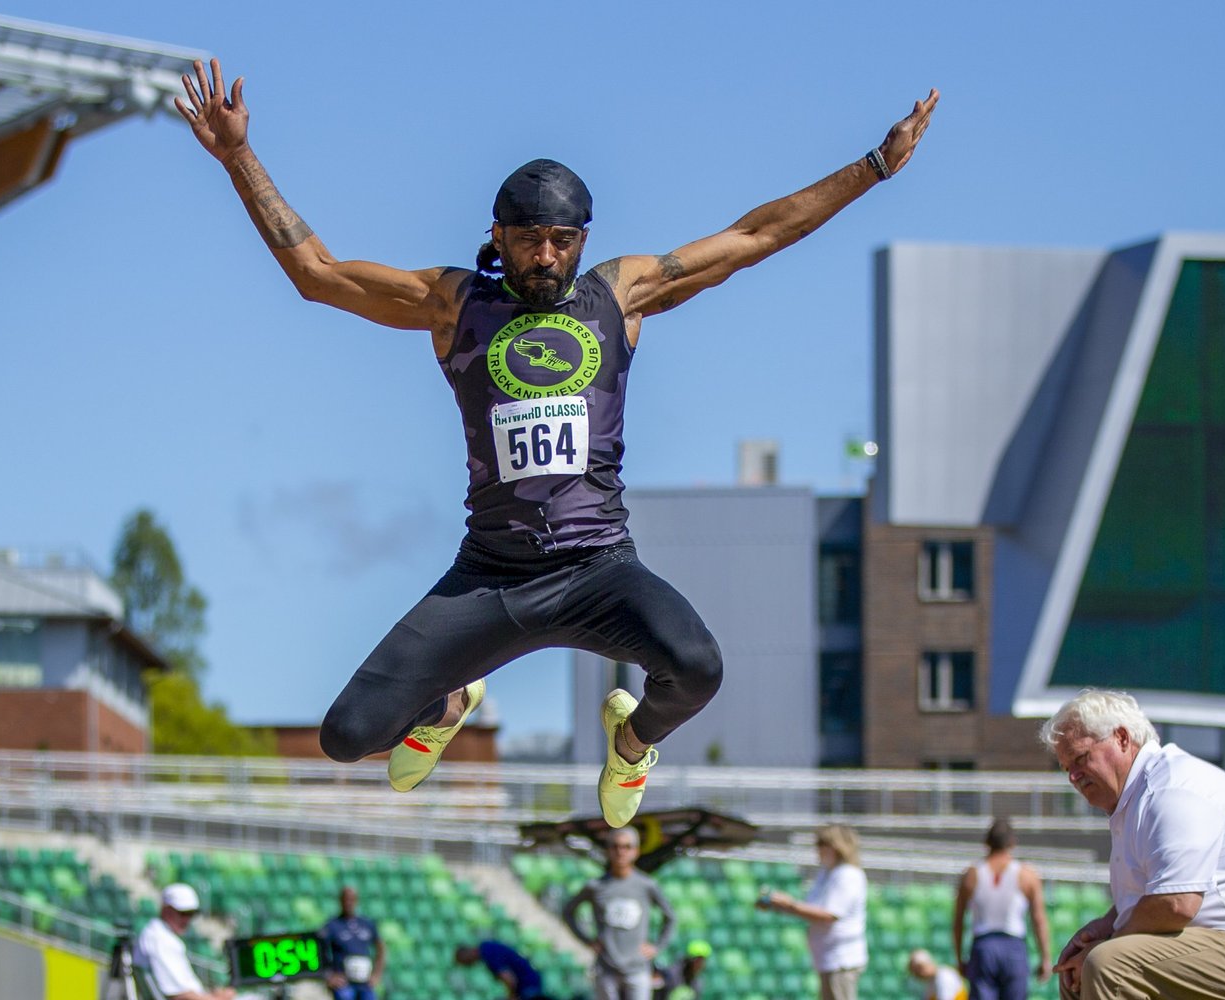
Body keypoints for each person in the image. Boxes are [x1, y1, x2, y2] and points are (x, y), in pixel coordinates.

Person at [175, 58, 939, 828]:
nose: (546, 256)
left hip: (600, 568)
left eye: (562, 240)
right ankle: (447, 703)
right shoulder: (454, 303)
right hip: (491, 577)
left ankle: (631, 744)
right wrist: (239, 156)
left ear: (581, 240)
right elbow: (319, 273)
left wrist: (873, 167)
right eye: (530, 240)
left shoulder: (621, 294)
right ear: (497, 236)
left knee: (698, 668)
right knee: (346, 737)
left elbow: (753, 236)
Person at [1042, 688, 1225, 1000]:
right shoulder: (1138, 798)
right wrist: (1105, 925)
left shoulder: (1171, 787)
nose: (1073, 776)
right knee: (1078, 973)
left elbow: (1176, 904)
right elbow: (1155, 896)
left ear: (1122, 739)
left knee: (1107, 965)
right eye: (1066, 768)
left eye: (1081, 758)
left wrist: (1105, 942)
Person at [563, 826, 677, 1000]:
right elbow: (568, 911)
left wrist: (657, 946)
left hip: (637, 968)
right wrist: (587, 940)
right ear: (608, 850)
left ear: (636, 851)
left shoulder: (646, 885)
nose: (620, 852)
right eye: (615, 846)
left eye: (626, 847)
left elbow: (670, 917)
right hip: (606, 967)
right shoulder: (596, 886)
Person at [757, 824, 867, 1000]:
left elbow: (829, 915)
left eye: (822, 844)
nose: (818, 850)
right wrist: (780, 905)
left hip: (840, 958)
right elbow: (812, 910)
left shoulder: (847, 875)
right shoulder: (827, 874)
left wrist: (790, 904)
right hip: (828, 958)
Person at [953, 818, 1052, 1000]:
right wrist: (1045, 957)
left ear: (987, 843)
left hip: (983, 946)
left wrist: (960, 958)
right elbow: (1038, 919)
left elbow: (958, 920)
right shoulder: (1026, 875)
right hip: (1013, 946)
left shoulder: (971, 874)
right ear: (1012, 843)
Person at [133, 883, 236, 1000]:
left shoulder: (159, 935)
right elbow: (180, 996)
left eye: (191, 914)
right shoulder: (159, 940)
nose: (187, 919)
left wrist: (212, 995)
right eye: (183, 913)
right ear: (166, 909)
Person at [321, 886, 385, 1000]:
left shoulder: (367, 924)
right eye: (346, 899)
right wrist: (329, 976)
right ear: (340, 901)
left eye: (352, 899)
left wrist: (376, 975)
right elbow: (320, 951)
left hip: (365, 983)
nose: (348, 903)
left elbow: (381, 948)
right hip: (344, 983)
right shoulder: (332, 925)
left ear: (357, 900)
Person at [454, 940, 547, 1000]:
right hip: (530, 982)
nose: (470, 965)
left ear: (466, 956)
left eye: (466, 963)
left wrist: (512, 996)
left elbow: (509, 979)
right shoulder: (487, 947)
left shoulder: (487, 953)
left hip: (527, 985)